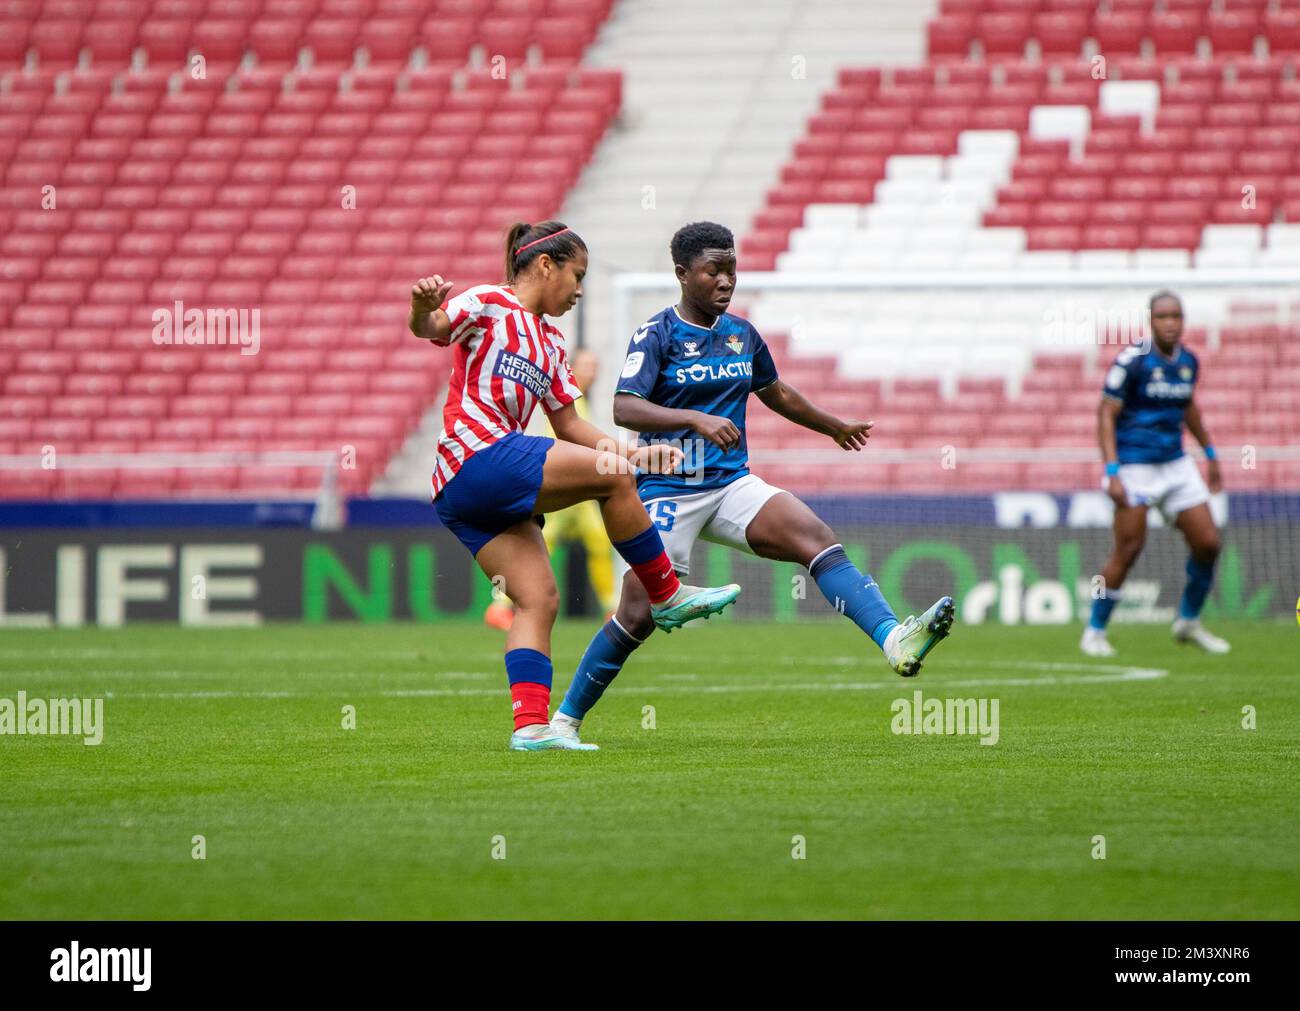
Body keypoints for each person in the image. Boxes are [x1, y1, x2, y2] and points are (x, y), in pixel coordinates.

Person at [550, 221, 955, 745]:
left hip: (729, 486)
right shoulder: (658, 334)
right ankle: (563, 722)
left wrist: (834, 426)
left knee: (816, 538)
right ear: (682, 274)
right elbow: (623, 405)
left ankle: (894, 639)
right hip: (666, 489)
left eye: (731, 270)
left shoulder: (742, 334)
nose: (725, 281)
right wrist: (693, 420)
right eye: (713, 271)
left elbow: (776, 392)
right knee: (638, 612)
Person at [409, 220, 742, 751]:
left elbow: (570, 426)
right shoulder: (490, 301)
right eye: (577, 274)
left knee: (537, 599)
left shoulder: (550, 341)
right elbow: (433, 327)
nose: (581, 288)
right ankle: (665, 592)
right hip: (478, 456)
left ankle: (532, 728)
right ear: (546, 265)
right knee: (614, 480)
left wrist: (632, 453)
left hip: (466, 494)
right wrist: (421, 307)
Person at [1081, 291, 1229, 657]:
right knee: (1127, 549)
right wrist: (1112, 471)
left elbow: (1188, 406)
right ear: (1151, 320)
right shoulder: (1132, 361)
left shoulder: (1188, 362)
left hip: (1176, 464)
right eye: (1163, 316)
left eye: (1176, 315)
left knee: (1208, 544)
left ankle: (1188, 621)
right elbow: (1105, 413)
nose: (1170, 322)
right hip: (1134, 466)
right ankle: (1094, 630)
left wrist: (1209, 453)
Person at [483, 347, 617, 630]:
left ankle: (611, 607)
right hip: (565, 487)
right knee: (545, 543)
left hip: (574, 489)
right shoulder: (570, 404)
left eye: (596, 366)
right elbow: (568, 439)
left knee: (596, 541)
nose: (593, 371)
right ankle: (501, 605)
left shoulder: (578, 401)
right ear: (573, 368)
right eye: (587, 365)